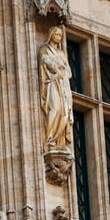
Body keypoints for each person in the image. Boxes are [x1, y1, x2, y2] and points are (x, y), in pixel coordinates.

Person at [38, 26, 73, 155]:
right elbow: (47, 63)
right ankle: (50, 139)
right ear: (51, 34)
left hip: (63, 85)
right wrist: (58, 68)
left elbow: (68, 72)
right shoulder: (44, 49)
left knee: (64, 113)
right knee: (55, 108)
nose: (59, 37)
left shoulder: (61, 53)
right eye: (56, 34)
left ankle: (59, 141)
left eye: (60, 35)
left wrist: (61, 69)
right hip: (52, 83)